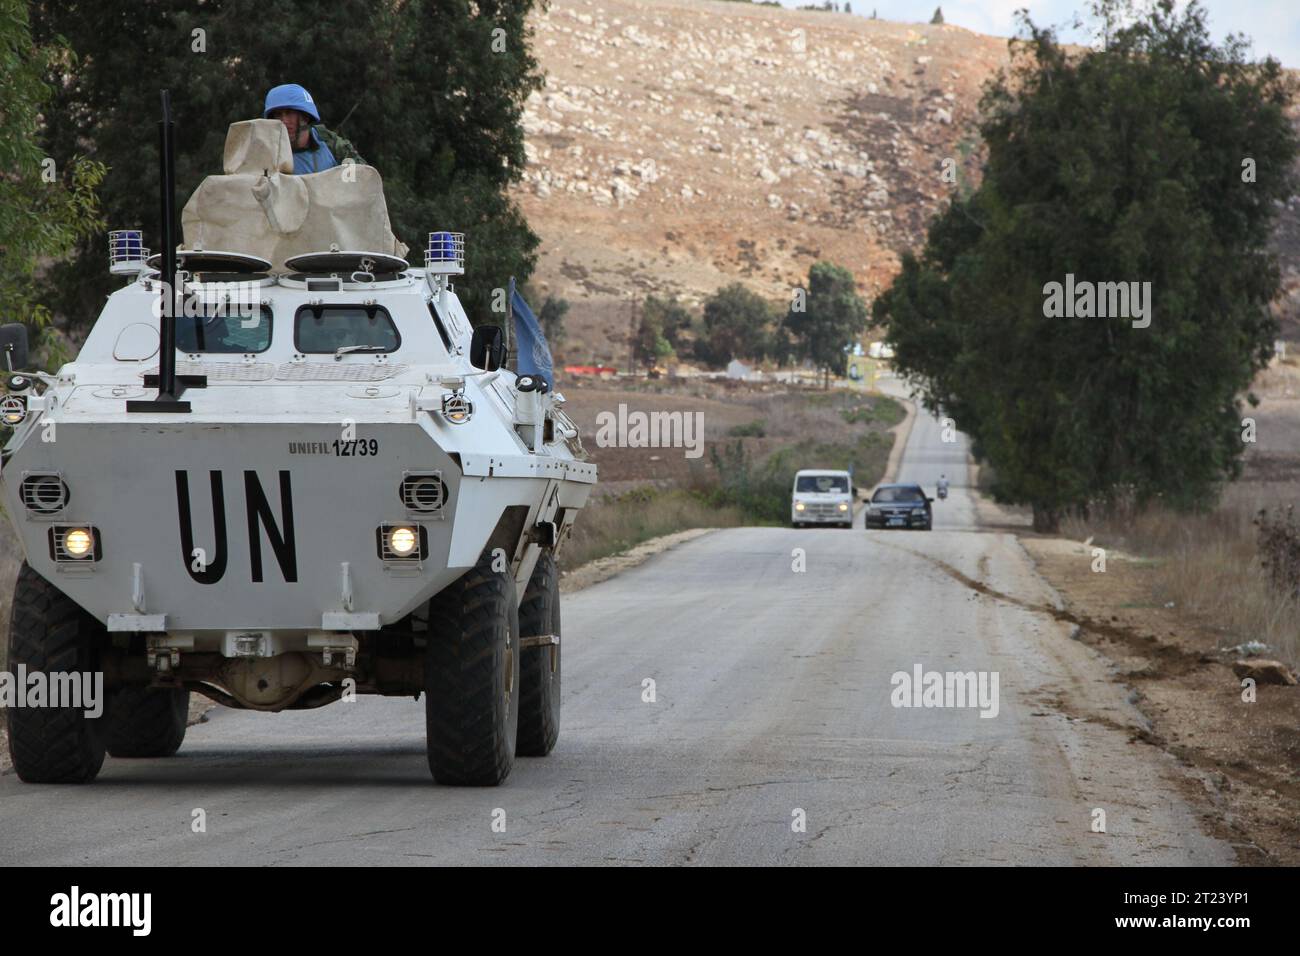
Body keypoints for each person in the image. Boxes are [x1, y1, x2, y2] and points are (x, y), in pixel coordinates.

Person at [263, 83, 365, 174]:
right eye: (278, 115)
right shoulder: (266, 152)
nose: (283, 121)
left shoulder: (330, 144)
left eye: (289, 113)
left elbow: (362, 178)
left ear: (305, 117)